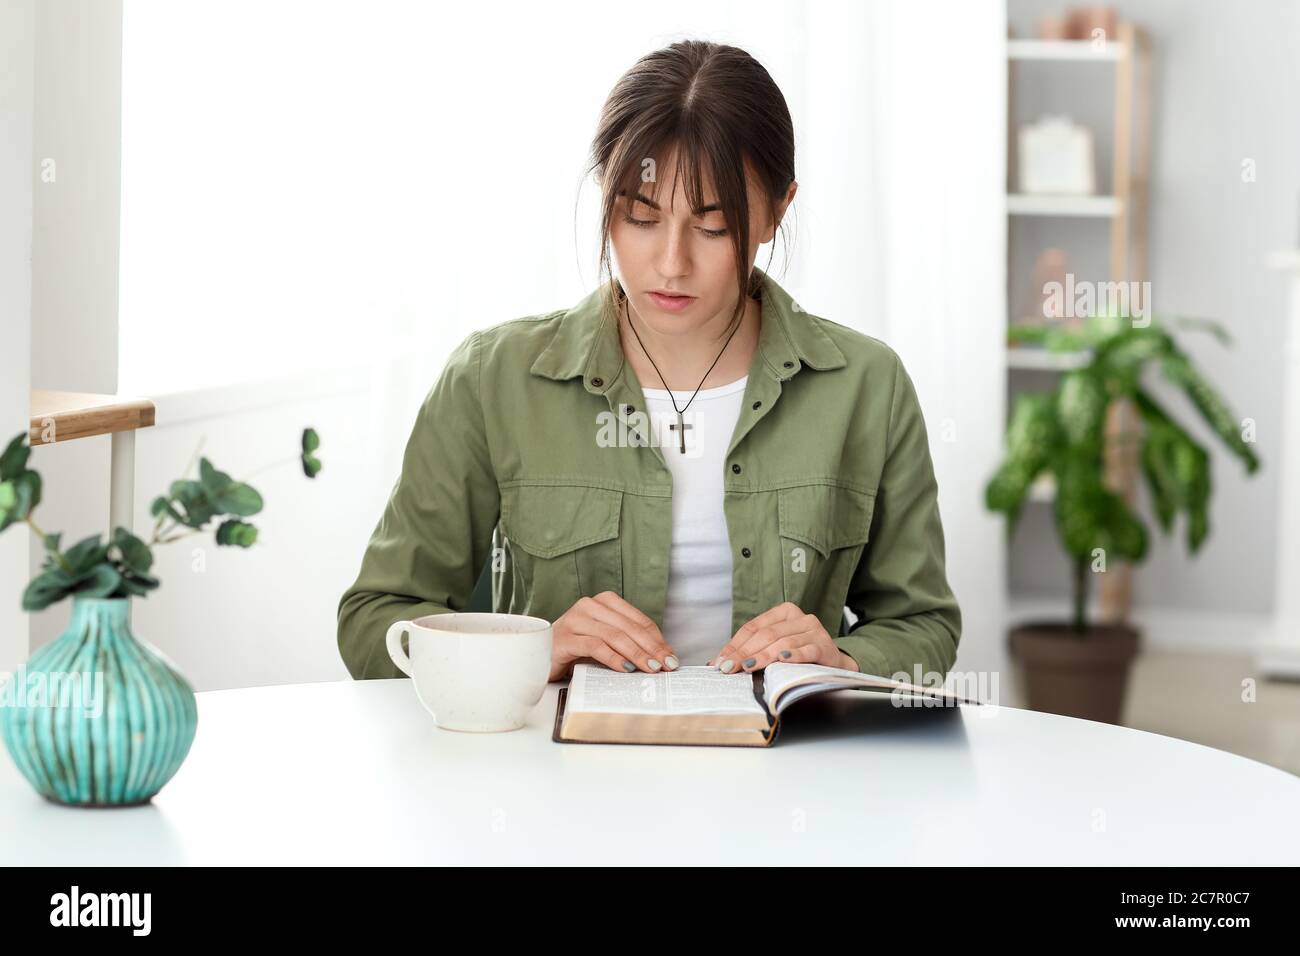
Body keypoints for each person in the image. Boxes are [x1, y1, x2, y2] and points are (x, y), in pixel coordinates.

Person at [337, 39, 961, 684]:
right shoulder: (493, 378)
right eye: (640, 217)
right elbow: (373, 620)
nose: (670, 263)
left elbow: (925, 625)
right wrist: (527, 653)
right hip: (560, 772)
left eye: (713, 228)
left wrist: (845, 659)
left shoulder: (865, 385)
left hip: (790, 771)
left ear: (778, 210)